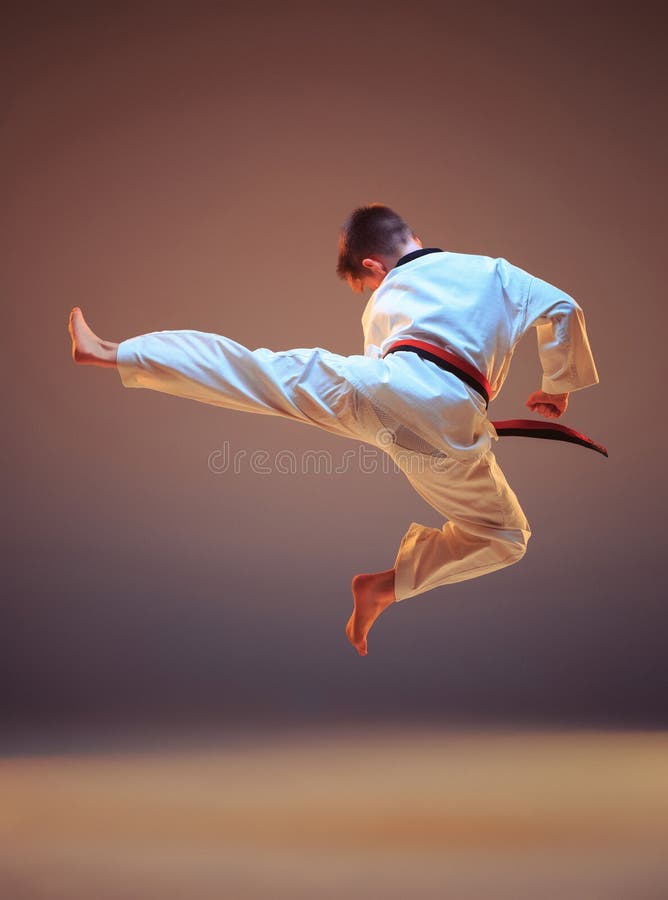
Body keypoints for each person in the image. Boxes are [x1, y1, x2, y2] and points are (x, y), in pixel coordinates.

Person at [68, 204, 599, 657]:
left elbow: (392, 388)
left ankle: (116, 352)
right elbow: (562, 306)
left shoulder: (386, 300)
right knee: (505, 537)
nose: (371, 289)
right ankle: (388, 589)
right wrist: (558, 384)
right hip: (449, 423)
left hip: (381, 388)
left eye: (367, 281)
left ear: (374, 265)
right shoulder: (493, 272)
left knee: (255, 370)